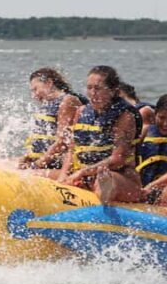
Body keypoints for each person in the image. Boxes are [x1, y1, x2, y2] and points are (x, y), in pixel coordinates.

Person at [59, 66, 142, 203]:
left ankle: (104, 197)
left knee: (104, 179)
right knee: (38, 174)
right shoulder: (81, 111)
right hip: (84, 174)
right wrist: (62, 178)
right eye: (89, 88)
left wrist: (82, 173)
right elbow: (72, 151)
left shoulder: (125, 116)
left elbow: (117, 159)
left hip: (120, 178)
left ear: (113, 91)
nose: (92, 93)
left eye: (98, 88)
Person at [18, 68, 86, 178]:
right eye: (32, 91)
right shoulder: (48, 104)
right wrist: (28, 157)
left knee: (22, 174)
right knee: (2, 163)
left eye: (36, 89)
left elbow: (62, 143)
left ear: (49, 83)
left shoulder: (67, 101)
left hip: (59, 165)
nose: (34, 95)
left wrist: (36, 165)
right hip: (43, 161)